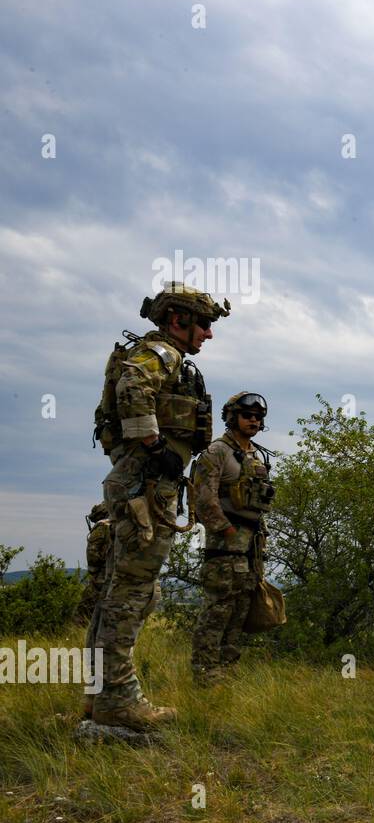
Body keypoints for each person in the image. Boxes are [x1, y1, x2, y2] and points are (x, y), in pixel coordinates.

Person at [89, 282, 229, 730]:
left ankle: (98, 696)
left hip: (139, 487)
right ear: (178, 321)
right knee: (133, 594)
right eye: (203, 324)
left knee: (117, 593)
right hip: (145, 489)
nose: (208, 334)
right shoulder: (161, 354)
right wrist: (154, 447)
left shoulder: (164, 356)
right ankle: (118, 699)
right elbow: (133, 386)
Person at [191, 392, 275, 686]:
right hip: (225, 547)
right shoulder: (217, 452)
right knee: (218, 609)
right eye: (247, 415)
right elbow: (203, 499)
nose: (254, 420)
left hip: (252, 546)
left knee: (241, 610)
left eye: (258, 417)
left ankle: (227, 671)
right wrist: (226, 530)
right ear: (232, 417)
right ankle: (204, 673)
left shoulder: (254, 454)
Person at [74, 503, 113, 626]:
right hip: (124, 578)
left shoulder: (102, 526)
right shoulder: (125, 525)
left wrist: (94, 573)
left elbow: (92, 554)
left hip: (103, 577)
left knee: (82, 613)